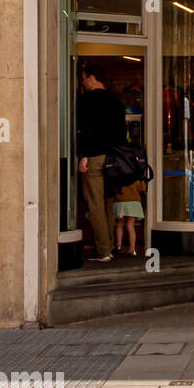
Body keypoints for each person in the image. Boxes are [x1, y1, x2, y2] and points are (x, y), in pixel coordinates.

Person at [76, 65, 127, 263]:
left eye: (84, 78)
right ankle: (110, 244)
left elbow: (88, 130)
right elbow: (122, 133)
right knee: (107, 202)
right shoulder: (116, 101)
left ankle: (103, 250)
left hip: (95, 156)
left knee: (95, 203)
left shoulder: (88, 101)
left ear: (92, 77)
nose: (83, 82)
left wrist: (84, 155)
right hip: (113, 159)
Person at [114, 175, 146, 256]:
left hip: (120, 201)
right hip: (133, 202)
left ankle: (118, 245)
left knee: (119, 224)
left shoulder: (118, 174)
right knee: (130, 225)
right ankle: (132, 249)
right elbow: (142, 188)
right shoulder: (136, 175)